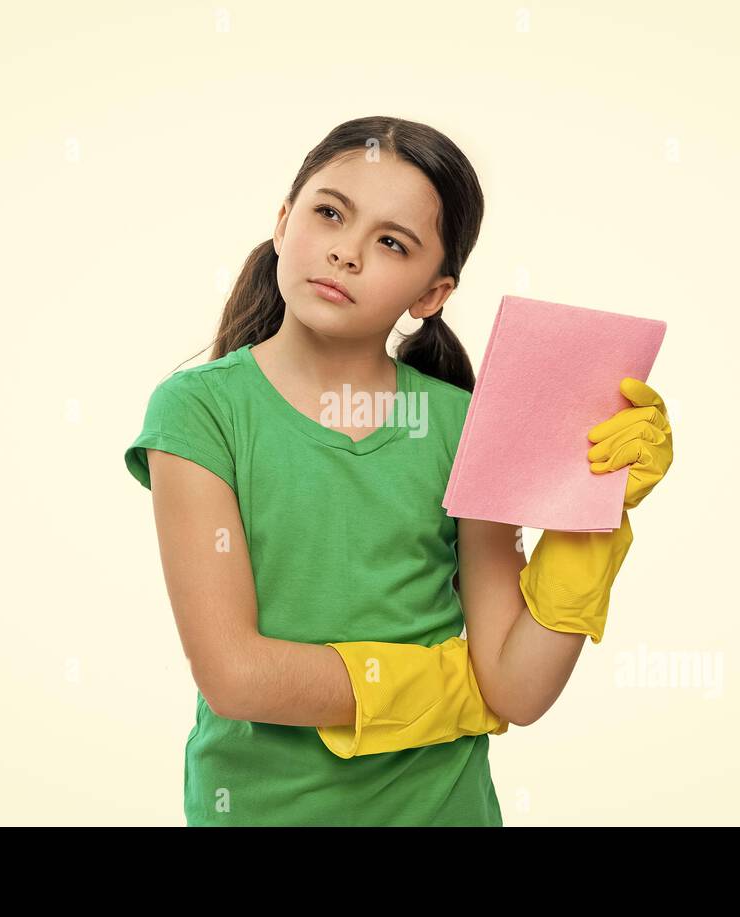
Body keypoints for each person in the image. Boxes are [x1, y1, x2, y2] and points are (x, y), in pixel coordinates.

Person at [124, 115, 674, 826]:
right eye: (329, 213)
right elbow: (236, 676)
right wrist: (455, 687)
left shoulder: (463, 425)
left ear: (432, 294)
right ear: (285, 221)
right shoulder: (200, 411)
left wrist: (590, 514)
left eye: (391, 242)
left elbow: (518, 685)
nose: (346, 253)